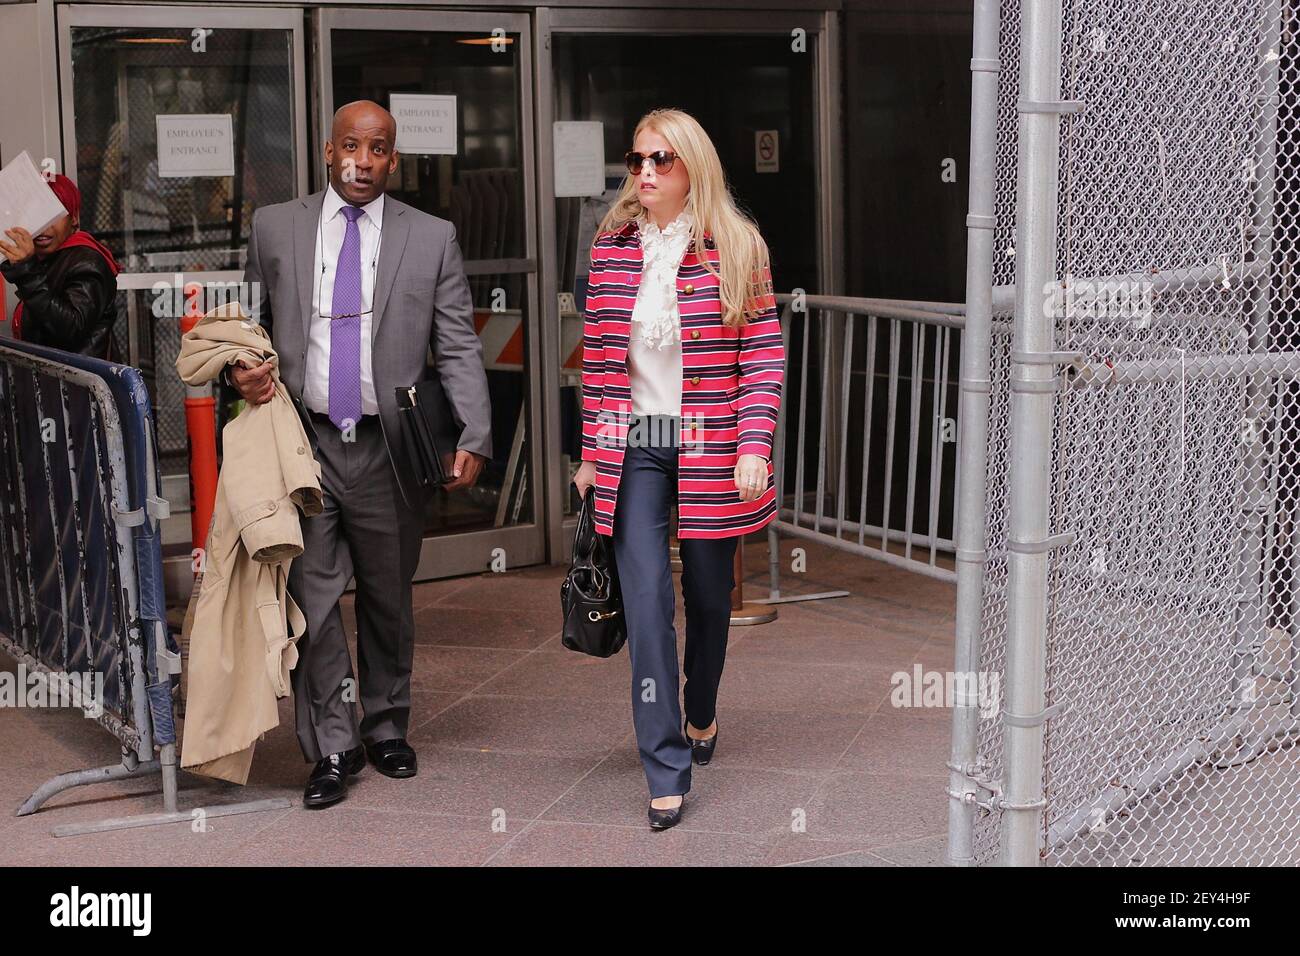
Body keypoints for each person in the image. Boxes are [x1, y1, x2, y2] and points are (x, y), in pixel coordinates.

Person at [229, 100, 492, 808]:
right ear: (327, 150)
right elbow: (249, 328)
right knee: (311, 602)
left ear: (393, 159)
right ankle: (334, 747)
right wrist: (242, 369)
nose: (363, 160)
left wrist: (473, 433)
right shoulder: (276, 227)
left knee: (386, 598)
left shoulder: (430, 237)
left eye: (378, 149)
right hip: (303, 442)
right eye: (352, 145)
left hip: (389, 448)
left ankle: (385, 725)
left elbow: (458, 342)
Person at [573, 108, 785, 831]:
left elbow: (761, 357)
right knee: (647, 605)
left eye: (661, 160)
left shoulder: (736, 248)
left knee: (707, 596)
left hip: (711, 442)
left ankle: (700, 710)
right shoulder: (611, 250)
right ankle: (665, 766)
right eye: (637, 161)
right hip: (635, 442)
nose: (646, 174)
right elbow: (600, 365)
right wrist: (591, 455)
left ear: (693, 165)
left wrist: (753, 446)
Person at [0, 174, 121, 358]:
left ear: (73, 218)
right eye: (34, 215)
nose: (44, 225)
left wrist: (27, 273)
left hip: (79, 384)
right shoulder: (49, 260)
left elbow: (71, 329)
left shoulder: (86, 260)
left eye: (53, 214)